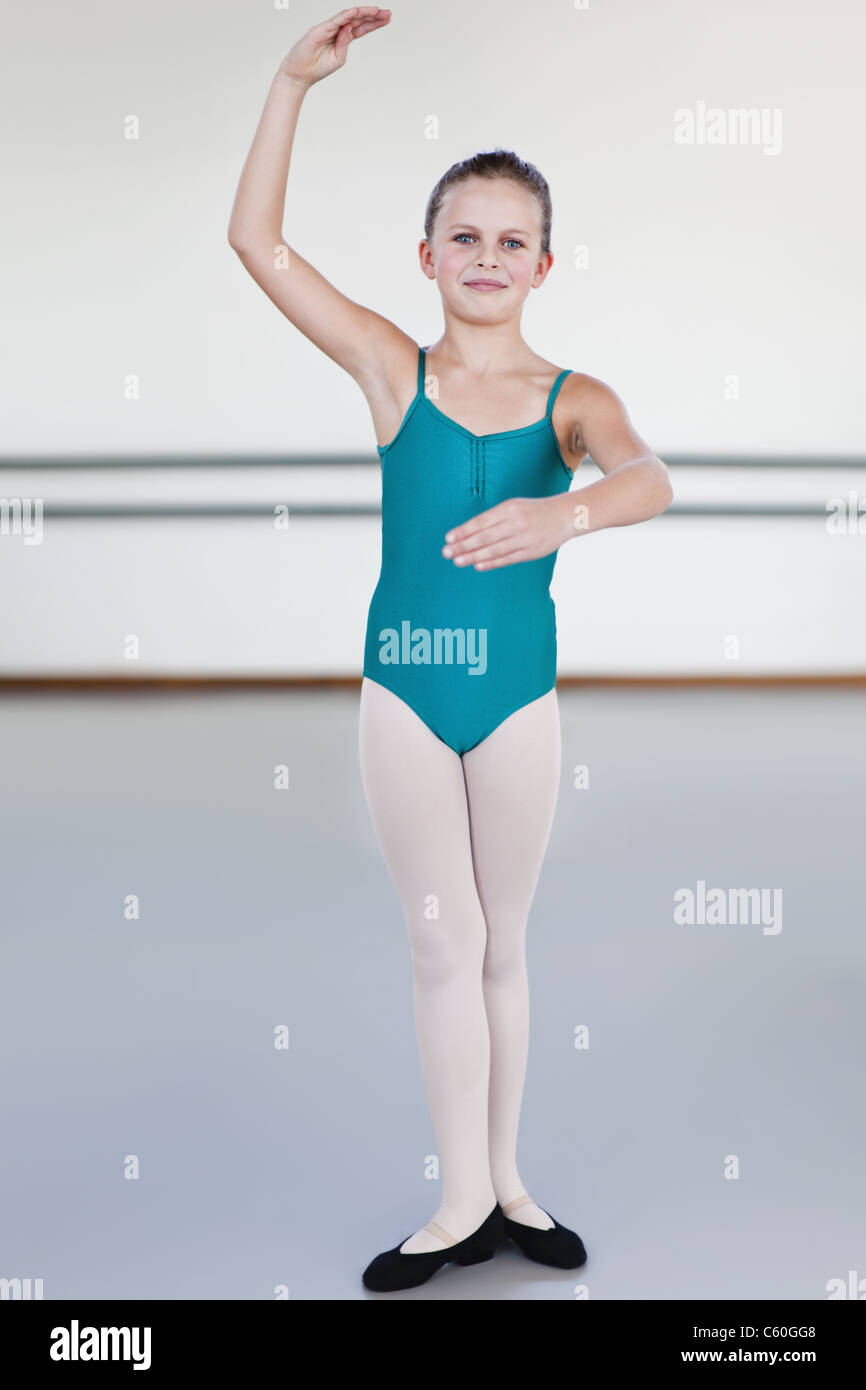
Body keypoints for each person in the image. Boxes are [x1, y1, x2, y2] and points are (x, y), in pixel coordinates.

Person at [228, 6, 674, 1293]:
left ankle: (511, 1181)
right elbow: (254, 244)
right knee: (439, 939)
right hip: (404, 696)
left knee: (503, 942)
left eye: (511, 240)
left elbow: (650, 479)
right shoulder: (388, 369)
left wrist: (560, 508)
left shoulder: (572, 398)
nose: (486, 255)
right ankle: (457, 1199)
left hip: (518, 698)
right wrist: (288, 85)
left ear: (545, 262)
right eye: (463, 237)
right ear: (425, 254)